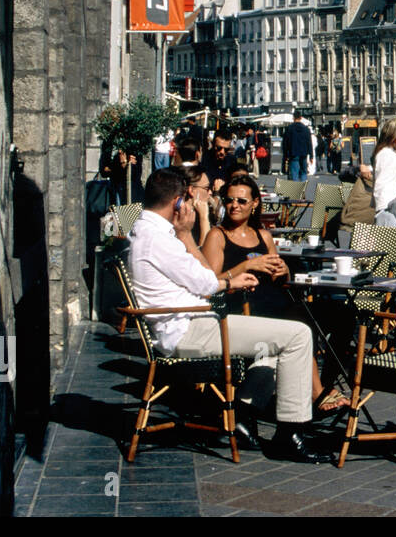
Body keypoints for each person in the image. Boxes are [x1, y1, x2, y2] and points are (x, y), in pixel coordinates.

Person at [128, 168, 333, 463]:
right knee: (299, 334)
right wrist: (231, 281)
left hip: (190, 321)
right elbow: (205, 282)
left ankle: (242, 413)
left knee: (282, 344)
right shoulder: (157, 238)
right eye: (186, 200)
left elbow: (202, 278)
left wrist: (189, 239)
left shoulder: (148, 232)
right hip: (190, 327)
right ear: (176, 203)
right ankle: (290, 433)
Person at [201, 176, 347, 414]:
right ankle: (317, 392)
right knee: (300, 319)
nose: (234, 205)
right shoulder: (218, 235)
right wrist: (247, 266)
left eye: (241, 200)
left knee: (344, 315)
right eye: (229, 200)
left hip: (276, 301)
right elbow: (210, 282)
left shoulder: (263, 236)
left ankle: (326, 382)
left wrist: (284, 270)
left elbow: (282, 277)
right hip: (244, 307)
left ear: (255, 203)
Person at [371, 117, 396, 218]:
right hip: (389, 207)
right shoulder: (385, 154)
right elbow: (380, 184)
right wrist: (383, 211)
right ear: (394, 133)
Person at [281, 111, 313, 181]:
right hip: (304, 153)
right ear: (301, 118)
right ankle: (303, 187)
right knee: (304, 172)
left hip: (293, 153)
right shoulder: (306, 129)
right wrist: (311, 155)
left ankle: (296, 189)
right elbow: (309, 143)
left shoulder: (289, 128)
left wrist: (285, 155)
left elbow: (285, 143)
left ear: (293, 118)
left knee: (294, 172)